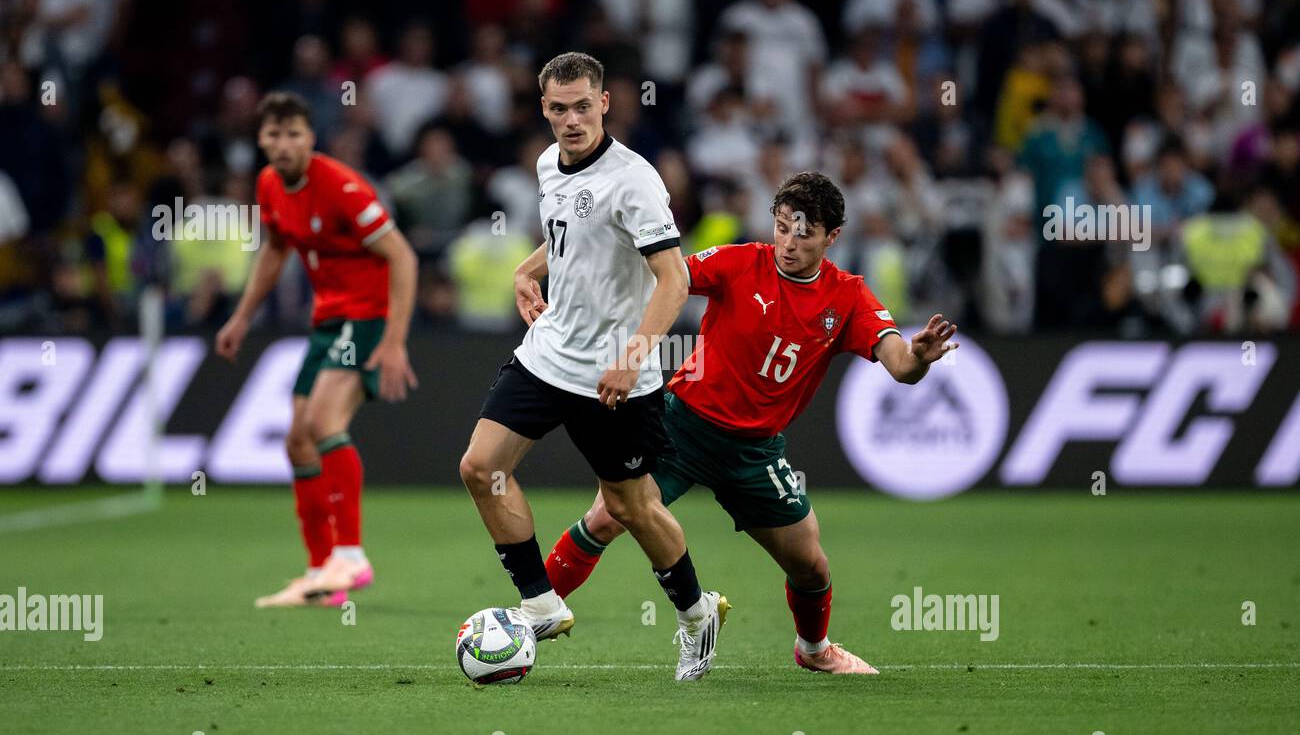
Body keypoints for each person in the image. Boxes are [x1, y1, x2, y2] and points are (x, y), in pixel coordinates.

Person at [544, 172, 958, 673]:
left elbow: (899, 365)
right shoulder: (739, 262)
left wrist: (918, 359)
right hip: (682, 427)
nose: (788, 242)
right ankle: (530, 614)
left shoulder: (847, 297)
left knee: (810, 565)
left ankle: (814, 651)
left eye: (804, 233)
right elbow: (665, 276)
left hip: (755, 453)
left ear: (832, 238)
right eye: (782, 227)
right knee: (607, 516)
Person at [458, 52, 728, 681]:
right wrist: (530, 268)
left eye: (584, 106)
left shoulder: (635, 180)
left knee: (632, 508)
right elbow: (570, 236)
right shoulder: (548, 163)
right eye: (559, 108)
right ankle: (540, 602)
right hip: (550, 354)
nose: (572, 119)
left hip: (615, 374)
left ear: (605, 103)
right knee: (480, 467)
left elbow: (675, 278)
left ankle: (697, 614)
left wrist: (633, 357)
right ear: (544, 109)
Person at [215, 92, 419, 608]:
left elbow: (403, 256)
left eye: (294, 134)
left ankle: (351, 555)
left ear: (311, 138)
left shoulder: (343, 186)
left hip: (367, 316)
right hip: (327, 322)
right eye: (274, 135)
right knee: (297, 442)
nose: (283, 144)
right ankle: (319, 572)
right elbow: (278, 246)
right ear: (261, 139)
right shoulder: (269, 185)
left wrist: (394, 341)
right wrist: (241, 317)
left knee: (324, 423)